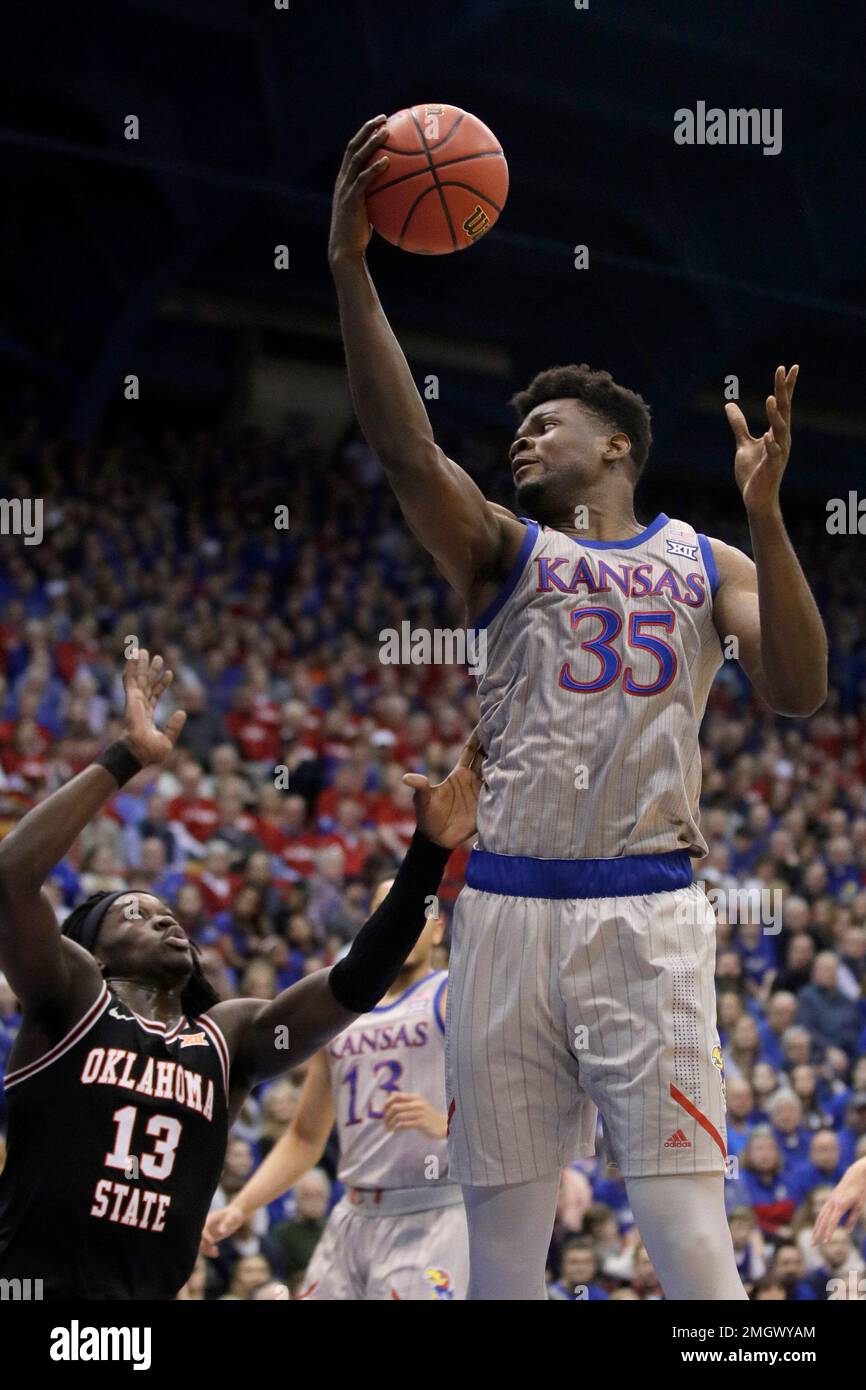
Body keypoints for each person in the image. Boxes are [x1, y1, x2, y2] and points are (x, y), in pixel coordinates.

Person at [328, 115, 828, 1300]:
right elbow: (407, 452)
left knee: (690, 1244)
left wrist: (766, 516)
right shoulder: (501, 550)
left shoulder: (711, 563)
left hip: (643, 916)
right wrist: (350, 269)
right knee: (500, 1252)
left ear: (615, 449)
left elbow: (799, 692)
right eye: (513, 428)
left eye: (542, 425)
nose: (518, 439)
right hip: (499, 909)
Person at [0, 649, 482, 1299]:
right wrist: (124, 757)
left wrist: (429, 853)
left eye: (168, 913)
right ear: (96, 951)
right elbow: (9, 881)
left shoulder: (228, 1039)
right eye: (136, 914)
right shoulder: (74, 999)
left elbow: (354, 985)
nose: (165, 920)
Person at [203, 884, 468, 1300]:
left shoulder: (456, 993)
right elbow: (305, 1137)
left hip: (432, 1209)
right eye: (388, 910)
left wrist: (447, 1123)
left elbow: (511, 1095)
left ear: (438, 930)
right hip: (353, 1212)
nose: (403, 920)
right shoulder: (341, 1013)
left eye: (419, 913)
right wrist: (241, 1207)